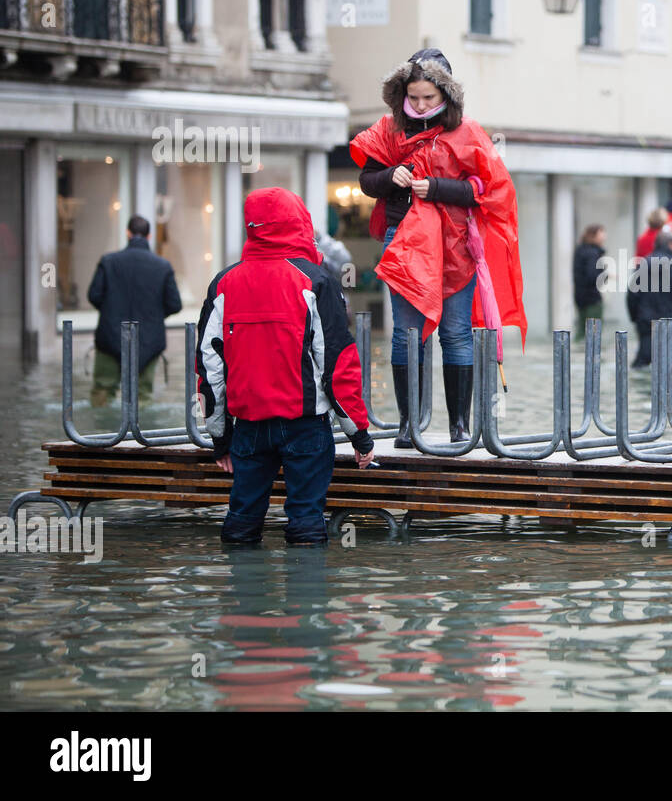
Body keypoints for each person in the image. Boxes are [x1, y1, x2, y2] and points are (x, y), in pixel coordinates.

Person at [352, 47, 525, 446]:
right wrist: (390, 176)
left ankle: (459, 426)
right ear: (402, 94)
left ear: (446, 95)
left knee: (456, 332)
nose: (420, 104)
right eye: (413, 97)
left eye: (429, 97)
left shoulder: (468, 133)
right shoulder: (388, 129)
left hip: (455, 244)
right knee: (406, 334)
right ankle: (408, 425)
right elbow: (367, 180)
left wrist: (437, 188)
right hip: (405, 242)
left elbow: (488, 191)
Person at [196, 188, 374, 545]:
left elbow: (209, 369)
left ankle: (241, 596)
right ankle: (305, 592)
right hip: (305, 426)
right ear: (300, 224)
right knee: (307, 516)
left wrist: (220, 438)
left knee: (242, 517)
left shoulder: (223, 283)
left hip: (247, 426)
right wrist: (359, 434)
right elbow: (338, 368)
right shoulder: (316, 281)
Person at [87, 215, 182, 407]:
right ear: (149, 236)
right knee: (143, 395)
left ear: (127, 233)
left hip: (110, 335)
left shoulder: (108, 261)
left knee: (103, 391)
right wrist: (154, 315)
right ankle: (138, 435)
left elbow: (94, 295)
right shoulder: (163, 266)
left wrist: (110, 311)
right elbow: (175, 304)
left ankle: (102, 435)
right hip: (149, 339)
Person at [627, 229, 672, 368]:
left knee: (642, 365)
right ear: (671, 244)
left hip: (647, 322)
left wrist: (635, 318)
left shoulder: (642, 265)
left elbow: (632, 295)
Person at [573, 224, 606, 336]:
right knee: (593, 333)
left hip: (580, 296)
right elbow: (592, 276)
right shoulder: (592, 253)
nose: (604, 237)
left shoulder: (581, 250)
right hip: (592, 297)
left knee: (583, 329)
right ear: (594, 236)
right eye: (601, 234)